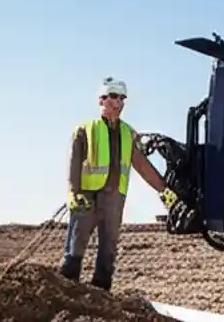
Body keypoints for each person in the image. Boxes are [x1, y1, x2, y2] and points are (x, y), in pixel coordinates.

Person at [59, 76, 179, 291]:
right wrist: (73, 192)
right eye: (114, 97)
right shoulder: (85, 130)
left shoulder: (127, 133)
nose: (119, 103)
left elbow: (142, 165)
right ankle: (65, 295)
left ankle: (101, 300)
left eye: (122, 98)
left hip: (114, 199)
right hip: (86, 197)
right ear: (101, 100)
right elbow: (74, 162)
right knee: (75, 249)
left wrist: (163, 190)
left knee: (108, 250)